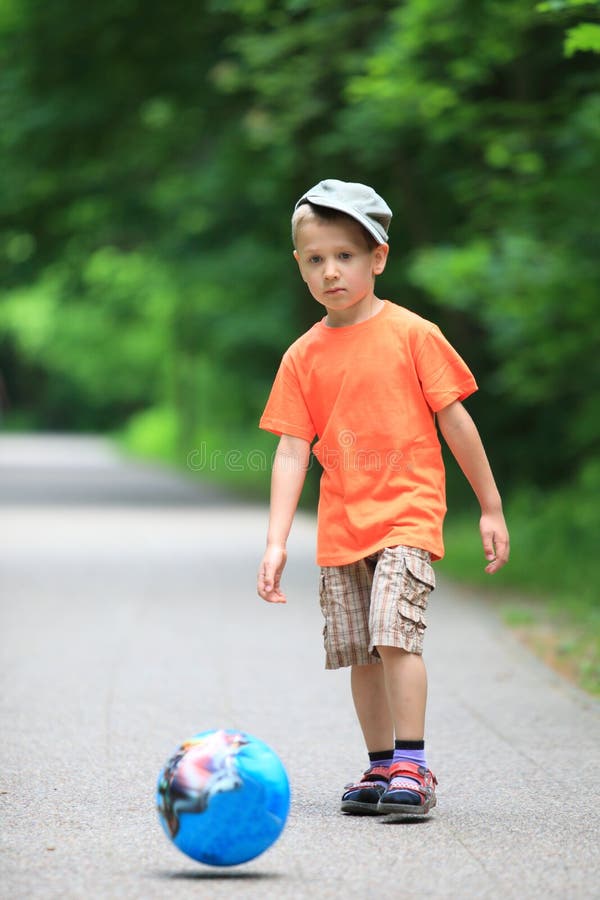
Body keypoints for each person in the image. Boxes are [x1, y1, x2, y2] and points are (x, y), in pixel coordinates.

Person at [256, 179, 509, 817]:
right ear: (299, 267)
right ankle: (377, 768)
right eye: (315, 259)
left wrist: (491, 506)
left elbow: (456, 422)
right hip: (343, 527)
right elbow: (291, 451)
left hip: (408, 512)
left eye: (345, 255)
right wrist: (276, 540)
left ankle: (413, 767)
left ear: (379, 257)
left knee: (395, 635)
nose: (330, 271)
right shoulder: (302, 356)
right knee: (360, 651)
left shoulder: (413, 335)